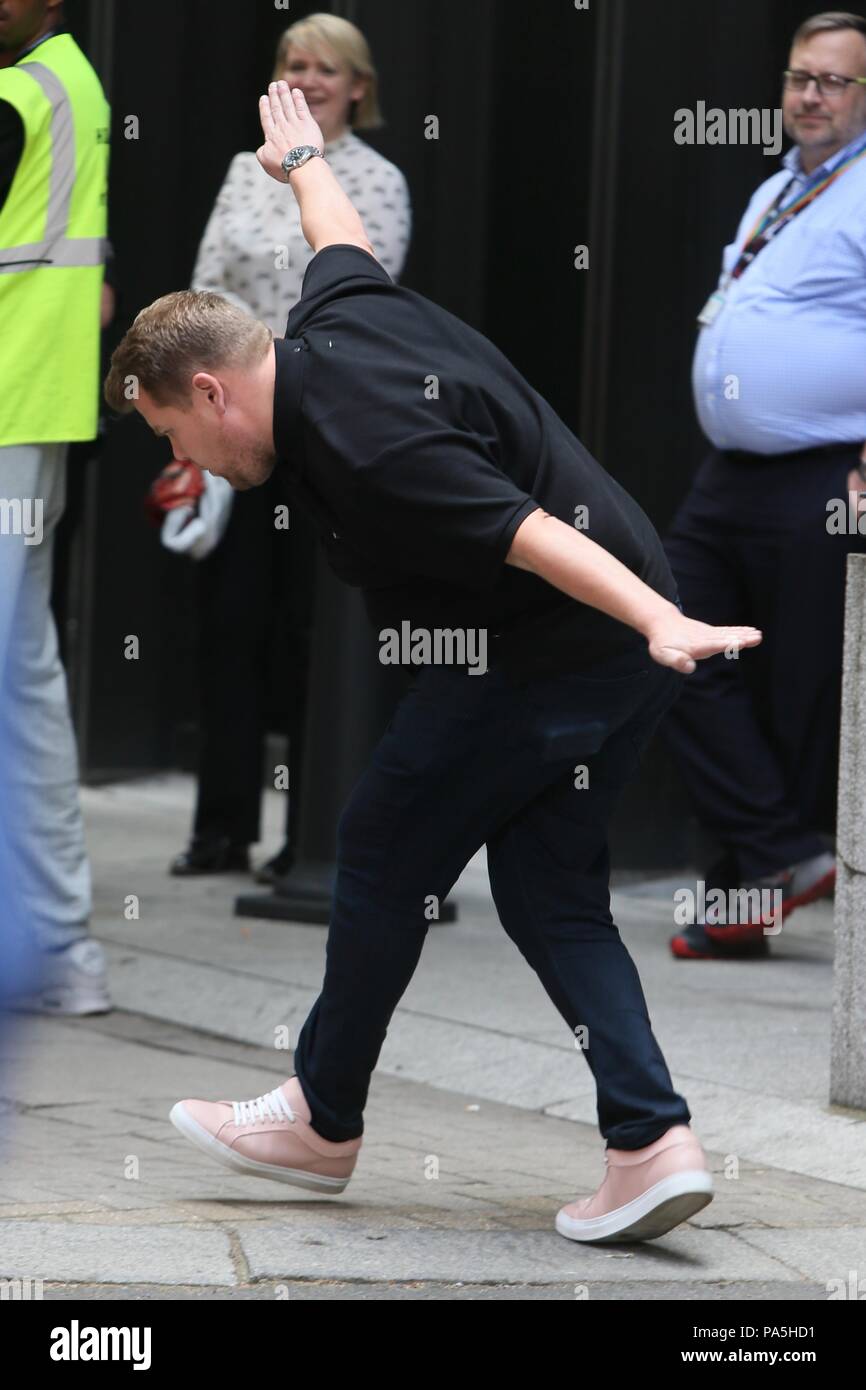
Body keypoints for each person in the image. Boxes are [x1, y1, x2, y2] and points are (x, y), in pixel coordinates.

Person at [104, 83, 762, 1244]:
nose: (188, 460)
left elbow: (525, 530)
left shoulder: (367, 434)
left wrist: (658, 619)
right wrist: (303, 159)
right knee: (549, 888)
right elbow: (340, 235)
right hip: (596, 644)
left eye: (174, 435)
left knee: (381, 840)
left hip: (563, 643)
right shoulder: (333, 319)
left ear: (208, 390)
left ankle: (321, 1118)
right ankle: (651, 1143)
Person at [169, 13, 411, 883]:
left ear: (357, 86)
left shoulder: (375, 180)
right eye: (293, 64)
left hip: (316, 428)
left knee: (312, 634)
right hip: (225, 425)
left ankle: (306, 834)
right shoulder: (243, 169)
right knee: (227, 628)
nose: (307, 79)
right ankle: (219, 829)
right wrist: (183, 427)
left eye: (325, 68)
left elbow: (358, 302)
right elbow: (202, 292)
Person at [663, 9, 866, 961]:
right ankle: (785, 852)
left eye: (833, 81)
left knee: (790, 691)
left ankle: (742, 907)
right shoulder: (776, 189)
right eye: (799, 78)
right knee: (670, 640)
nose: (811, 96)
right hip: (730, 476)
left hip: (825, 472)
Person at [0, 0, 112, 1015]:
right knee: (22, 675)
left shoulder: (22, 92)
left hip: (7, 409)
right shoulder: (69, 81)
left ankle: (55, 947)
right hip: (32, 408)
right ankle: (59, 948)